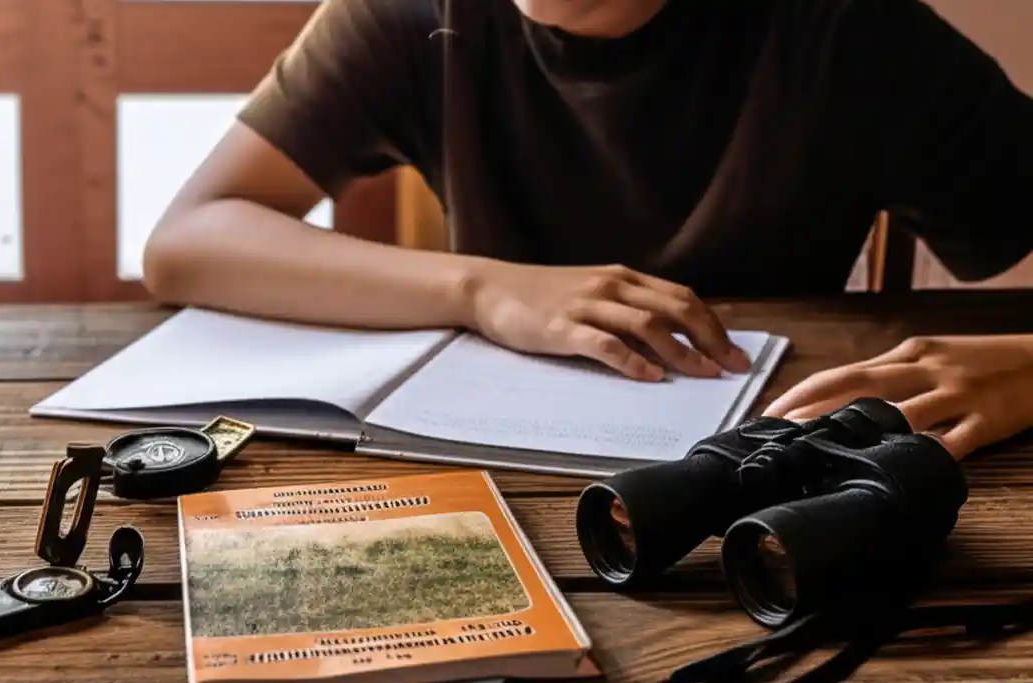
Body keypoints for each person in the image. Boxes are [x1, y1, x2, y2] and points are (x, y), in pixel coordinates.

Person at [141, 0, 1033, 459]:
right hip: (487, 469)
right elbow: (189, 240)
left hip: (775, 468)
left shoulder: (848, 31)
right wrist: (480, 288)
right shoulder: (416, 16)